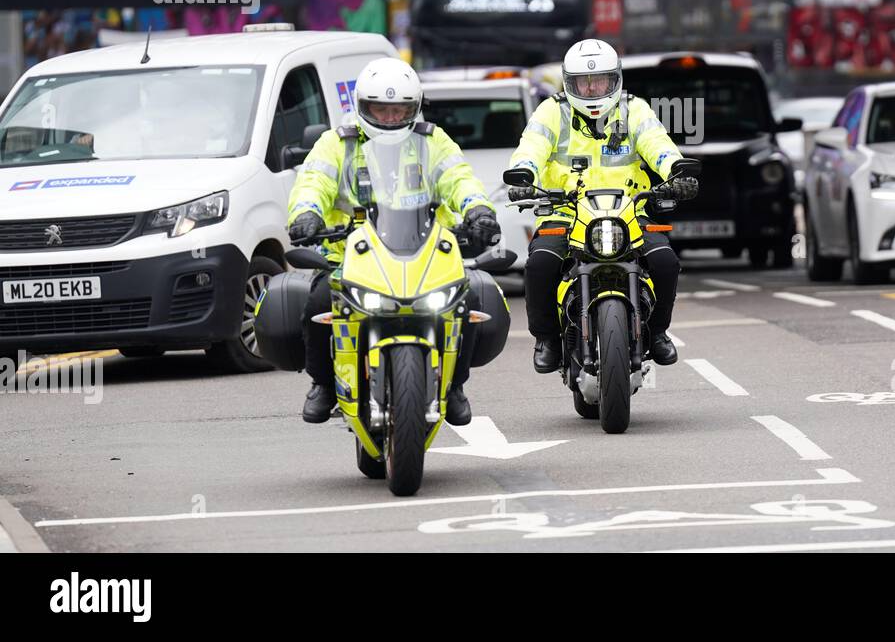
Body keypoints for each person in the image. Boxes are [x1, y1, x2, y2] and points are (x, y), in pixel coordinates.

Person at [287, 57, 501, 426]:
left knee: (467, 298)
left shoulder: (431, 141)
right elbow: (312, 183)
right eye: (379, 109)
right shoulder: (336, 144)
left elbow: (459, 178)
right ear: (362, 107)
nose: (388, 118)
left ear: (413, 108)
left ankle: (454, 387)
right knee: (319, 300)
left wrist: (478, 210)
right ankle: (322, 383)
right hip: (350, 258)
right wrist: (306, 214)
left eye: (398, 109)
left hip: (424, 253)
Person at [508, 39, 697, 374]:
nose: (593, 89)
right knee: (539, 265)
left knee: (665, 261)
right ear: (569, 83)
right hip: (565, 212)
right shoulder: (552, 111)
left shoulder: (634, 109)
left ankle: (657, 332)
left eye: (600, 81)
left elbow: (658, 144)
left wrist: (676, 172)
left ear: (616, 80)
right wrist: (524, 173)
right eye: (584, 82)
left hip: (630, 212)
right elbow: (532, 146)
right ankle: (547, 338)